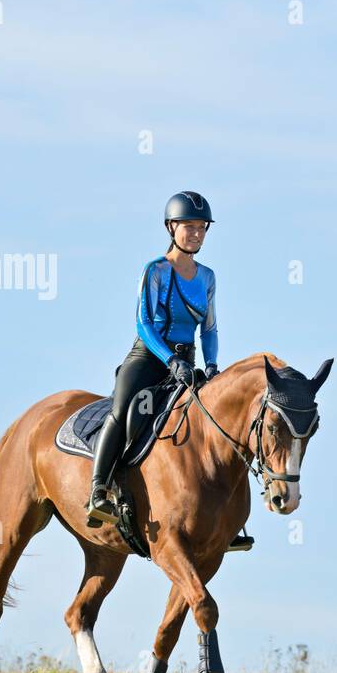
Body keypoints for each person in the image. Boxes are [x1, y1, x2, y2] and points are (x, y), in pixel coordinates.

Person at [85, 192, 250, 550]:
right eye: (189, 227)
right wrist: (169, 360)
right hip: (148, 358)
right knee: (123, 409)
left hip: (186, 364)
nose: (196, 234)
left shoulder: (207, 277)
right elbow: (144, 323)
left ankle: (223, 521)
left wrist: (211, 366)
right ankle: (99, 488)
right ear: (171, 228)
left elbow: (209, 328)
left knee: (211, 423)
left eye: (201, 228)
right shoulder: (156, 270)